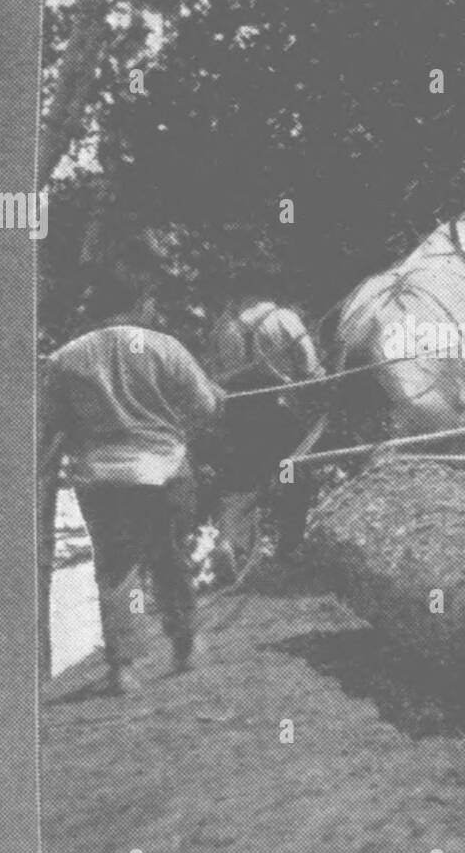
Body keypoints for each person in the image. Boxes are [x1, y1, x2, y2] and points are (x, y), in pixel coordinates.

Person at [42, 274, 224, 694]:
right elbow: (205, 406)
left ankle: (123, 669)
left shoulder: (65, 359)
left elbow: (53, 425)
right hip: (165, 470)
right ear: (142, 302)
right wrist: (183, 429)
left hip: (101, 477)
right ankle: (186, 644)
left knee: (115, 568)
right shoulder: (165, 347)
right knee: (169, 557)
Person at [205, 274, 324, 576]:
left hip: (240, 415)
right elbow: (310, 369)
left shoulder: (224, 326)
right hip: (281, 413)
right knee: (293, 477)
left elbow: (214, 372)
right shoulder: (285, 319)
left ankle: (230, 542)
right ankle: (289, 548)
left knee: (241, 480)